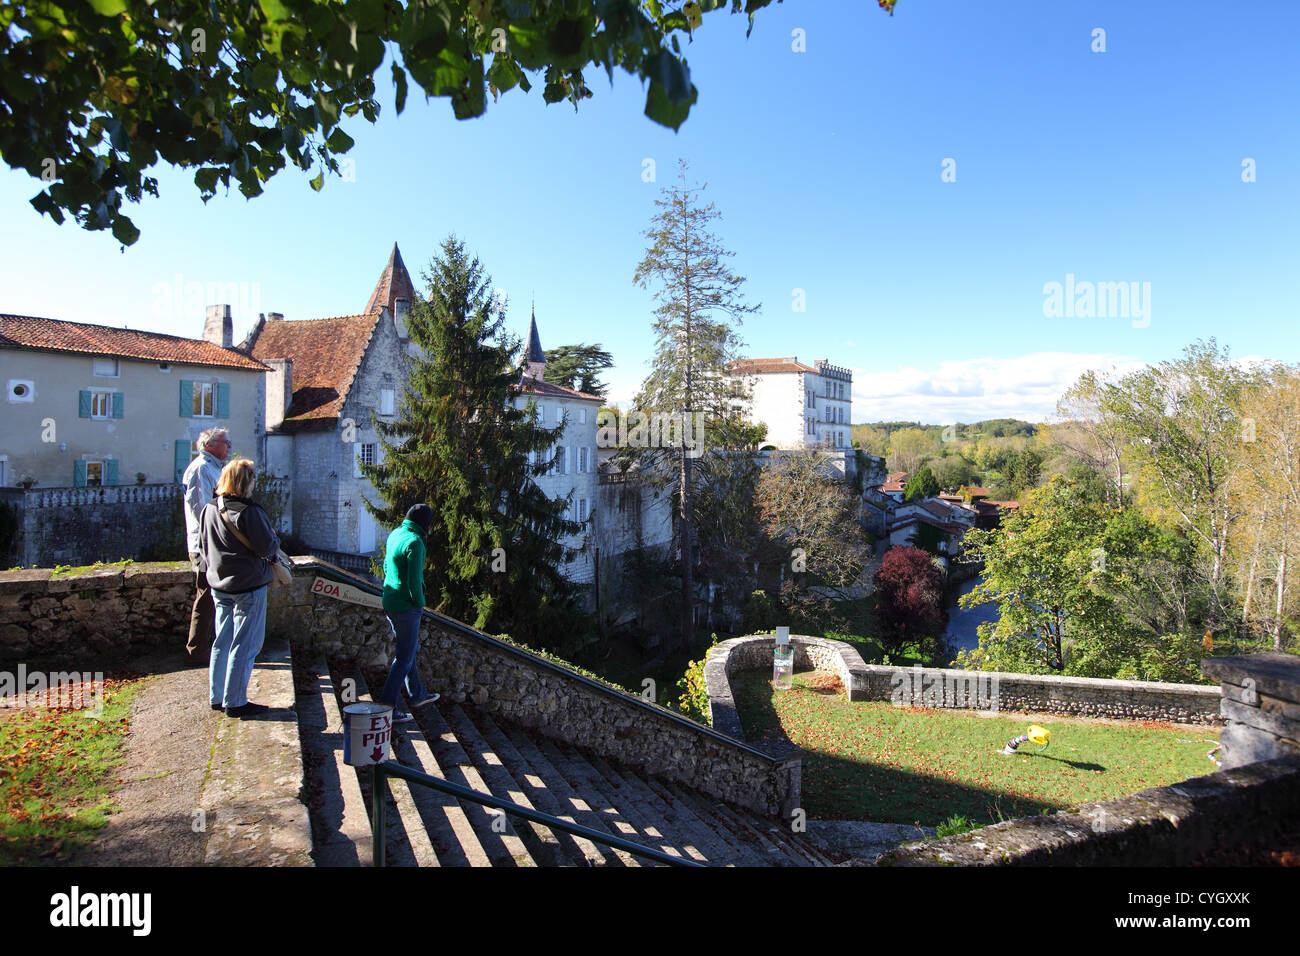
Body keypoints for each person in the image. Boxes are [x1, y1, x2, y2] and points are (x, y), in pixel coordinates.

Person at [197, 457, 280, 719]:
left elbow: (202, 547)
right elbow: (267, 548)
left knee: (222, 641)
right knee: (245, 644)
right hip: (248, 585)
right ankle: (235, 701)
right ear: (247, 482)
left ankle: (217, 695)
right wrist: (274, 537)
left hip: (219, 584)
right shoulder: (249, 512)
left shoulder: (209, 508)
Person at [379, 504, 440, 724]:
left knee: (409, 648)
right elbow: (415, 581)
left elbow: (386, 565)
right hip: (406, 606)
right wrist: (419, 604)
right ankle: (387, 707)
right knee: (404, 658)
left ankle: (417, 694)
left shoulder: (396, 533)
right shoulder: (416, 542)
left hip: (389, 600)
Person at [181, 427, 231, 665]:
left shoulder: (212, 468)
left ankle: (205, 648)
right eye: (225, 442)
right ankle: (198, 652)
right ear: (210, 445)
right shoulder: (202, 468)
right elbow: (200, 506)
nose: (229, 447)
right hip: (204, 544)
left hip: (209, 542)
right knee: (206, 597)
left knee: (212, 596)